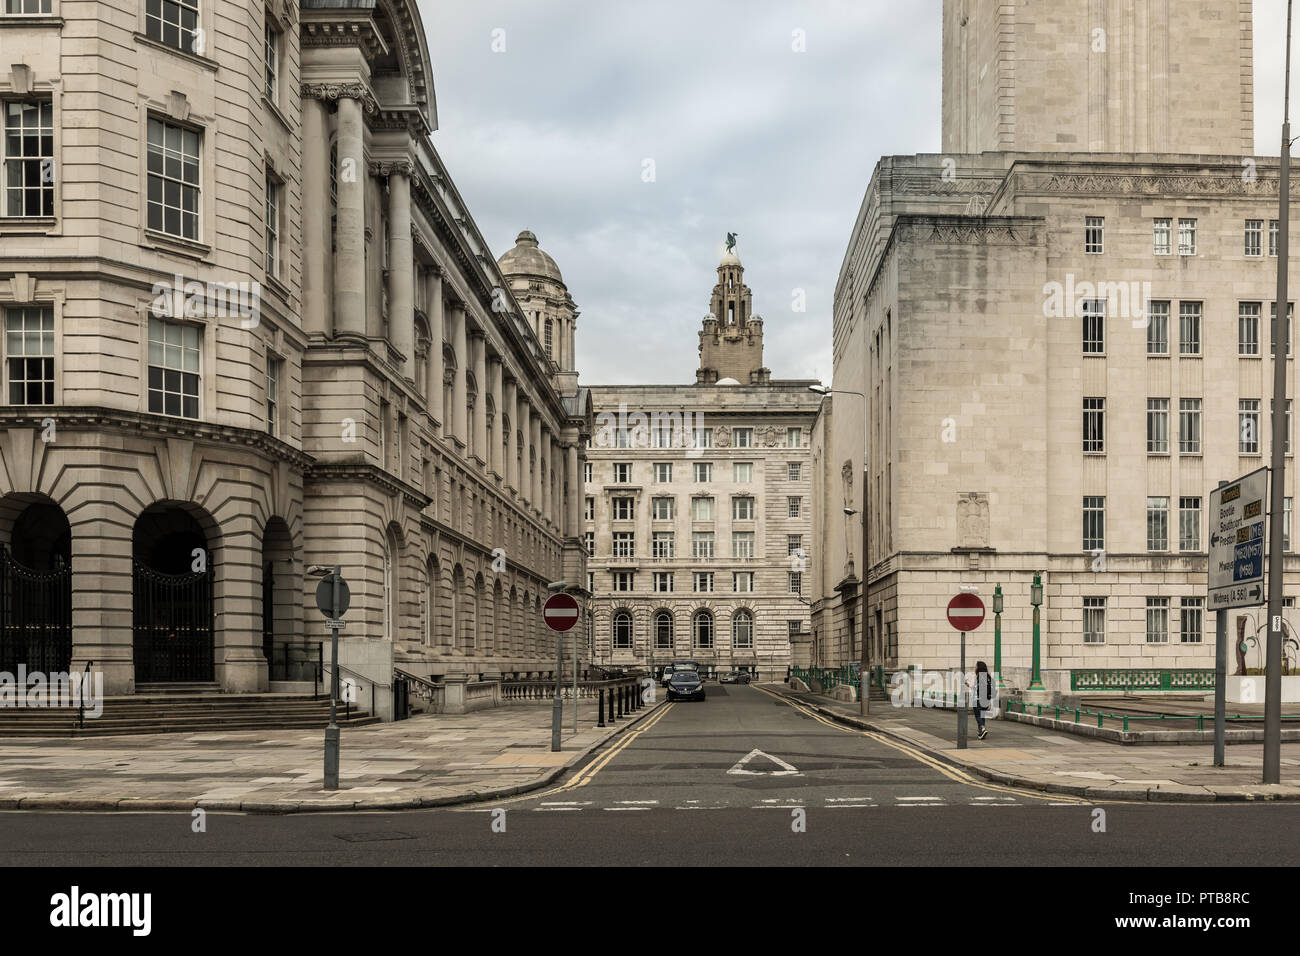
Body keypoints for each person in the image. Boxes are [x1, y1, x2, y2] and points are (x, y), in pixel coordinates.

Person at [971, 660, 994, 740]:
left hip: (978, 700)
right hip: (986, 700)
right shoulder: (988, 676)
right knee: (982, 716)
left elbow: (974, 687)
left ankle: (983, 728)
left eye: (976, 666)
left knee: (978, 716)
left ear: (978, 668)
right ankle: (981, 733)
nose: (975, 668)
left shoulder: (978, 676)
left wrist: (967, 684)